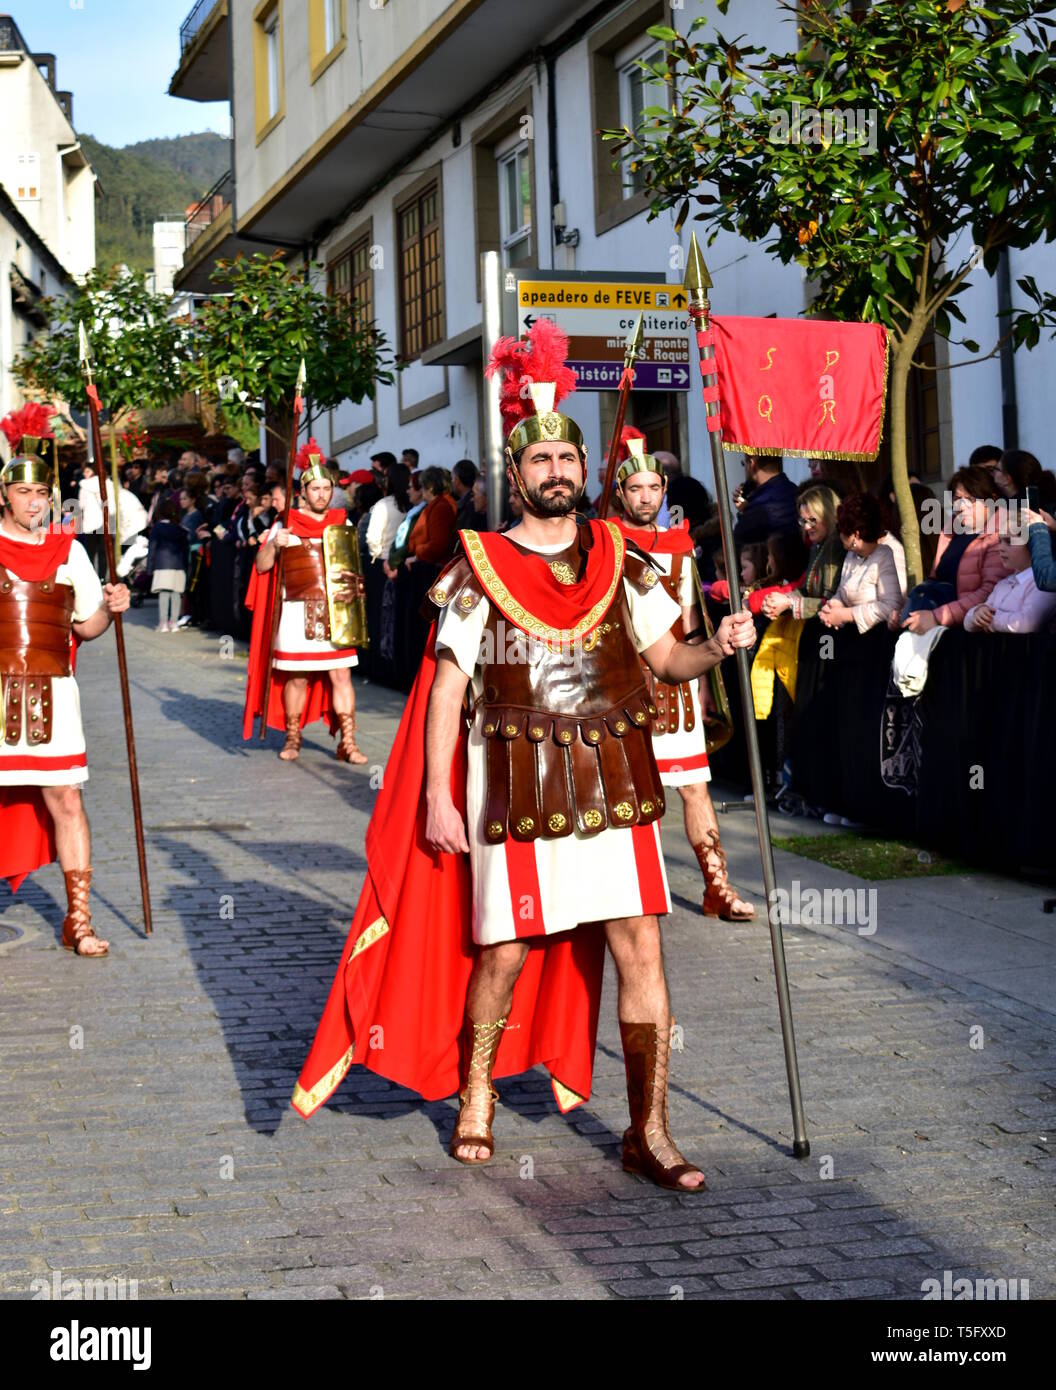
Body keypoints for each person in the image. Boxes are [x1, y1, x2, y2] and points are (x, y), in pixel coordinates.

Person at [292, 319, 757, 1190]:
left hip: (617, 786)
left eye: (567, 462)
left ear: (585, 472)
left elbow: (666, 660)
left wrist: (718, 646)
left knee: (642, 952)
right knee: (503, 954)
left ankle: (648, 1130)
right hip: (514, 788)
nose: (556, 474)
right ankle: (476, 1096)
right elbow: (446, 690)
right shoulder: (481, 564)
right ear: (516, 476)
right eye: (540, 463)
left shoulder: (623, 559)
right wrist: (437, 792)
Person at [0, 411, 130, 956]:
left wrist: (114, 610)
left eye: (42, 492)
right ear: (5, 494)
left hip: (55, 693)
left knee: (67, 800)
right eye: (24, 491)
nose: (34, 501)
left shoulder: (69, 550)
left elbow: (87, 626)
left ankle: (77, 918)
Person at [615, 435, 755, 920]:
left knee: (695, 787)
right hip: (623, 687)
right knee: (633, 793)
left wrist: (702, 681)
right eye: (636, 488)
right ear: (621, 493)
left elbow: (692, 618)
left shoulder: (681, 545)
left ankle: (717, 886)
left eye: (654, 486)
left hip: (675, 686)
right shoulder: (605, 545)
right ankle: (641, 887)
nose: (646, 497)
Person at [243, 442, 367, 764]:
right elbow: (261, 565)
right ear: (303, 491)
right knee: (297, 677)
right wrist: (276, 545)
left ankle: (349, 742)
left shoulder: (343, 522)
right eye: (316, 488)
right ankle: (293, 736)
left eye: (327, 488)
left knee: (341, 675)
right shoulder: (286, 524)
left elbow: (352, 570)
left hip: (336, 612)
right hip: (297, 611)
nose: (322, 494)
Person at [894, 466, 1004, 634]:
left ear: (992, 500)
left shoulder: (1000, 536)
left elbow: (990, 592)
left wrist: (936, 617)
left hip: (970, 632)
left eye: (971, 499)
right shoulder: (949, 531)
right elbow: (934, 580)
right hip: (936, 626)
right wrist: (908, 611)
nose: (962, 506)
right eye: (958, 498)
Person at [819, 492, 903, 633]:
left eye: (842, 530)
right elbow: (843, 590)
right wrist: (833, 606)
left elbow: (891, 607)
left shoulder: (890, 553)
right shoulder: (853, 552)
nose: (840, 536)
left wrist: (845, 615)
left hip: (877, 640)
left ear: (856, 534)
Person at [760, 486, 844, 622]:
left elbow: (830, 602)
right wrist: (780, 601)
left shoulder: (835, 546)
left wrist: (789, 603)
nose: (806, 527)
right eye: (804, 521)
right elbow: (806, 590)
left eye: (812, 520)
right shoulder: (818, 546)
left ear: (828, 515)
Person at [964, 515, 1056, 633]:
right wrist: (977, 613)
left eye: (1009, 541)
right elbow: (967, 622)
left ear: (1032, 544)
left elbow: (1025, 623)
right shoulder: (1002, 584)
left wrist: (989, 620)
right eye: (1000, 541)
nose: (1000, 548)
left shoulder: (1044, 585)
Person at [732, 452, 799, 547]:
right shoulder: (796, 491)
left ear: (752, 464)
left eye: (744, 464)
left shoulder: (758, 507)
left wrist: (745, 512)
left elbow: (739, 542)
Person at [147, 496, 190, 632]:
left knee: (164, 594)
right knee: (177, 594)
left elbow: (152, 547)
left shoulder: (157, 528)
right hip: (179, 565)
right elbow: (185, 549)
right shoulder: (181, 530)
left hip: (162, 564)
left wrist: (149, 567)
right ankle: (174, 622)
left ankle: (163, 623)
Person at [407, 466, 457, 566]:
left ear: (430, 487)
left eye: (422, 486)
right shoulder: (437, 505)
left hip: (433, 567)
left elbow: (438, 545)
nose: (421, 490)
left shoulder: (441, 507)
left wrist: (418, 553)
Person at [452, 459, 478, 529]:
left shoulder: (471, 505)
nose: (451, 482)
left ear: (457, 480)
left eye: (452, 479)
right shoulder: (467, 502)